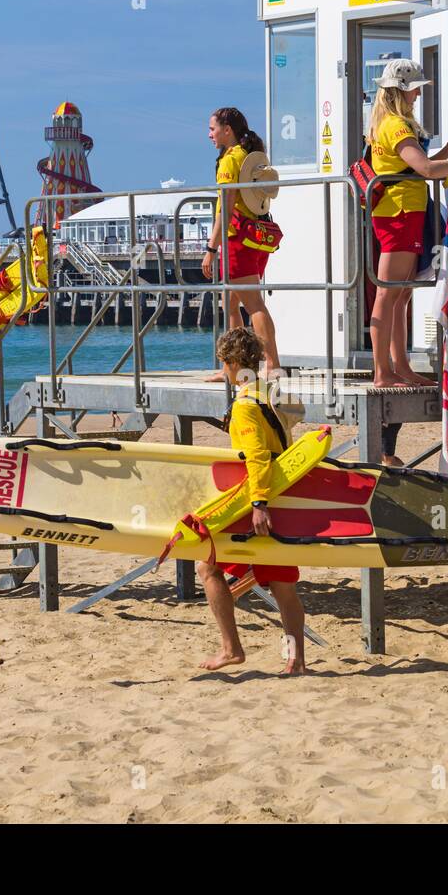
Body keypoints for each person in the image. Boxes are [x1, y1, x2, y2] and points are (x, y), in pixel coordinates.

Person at [367, 58, 448, 387]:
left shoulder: (386, 124)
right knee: (388, 293)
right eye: (415, 90)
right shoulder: (397, 126)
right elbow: (427, 171)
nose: (418, 95)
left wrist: (447, 152)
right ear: (400, 92)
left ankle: (398, 368)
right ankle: (384, 372)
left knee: (399, 294)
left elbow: (413, 166)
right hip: (400, 214)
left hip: (400, 212)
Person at [196, 327, 307, 675]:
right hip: (284, 493)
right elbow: (298, 413)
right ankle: (296, 660)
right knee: (284, 588)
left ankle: (231, 649)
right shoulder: (268, 391)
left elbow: (256, 456)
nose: (224, 371)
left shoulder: (244, 405)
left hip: (257, 499)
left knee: (207, 567)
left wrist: (258, 504)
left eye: (223, 364)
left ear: (230, 363)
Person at [202, 107, 282, 380]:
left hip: (238, 239)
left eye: (212, 129)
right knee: (230, 303)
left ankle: (272, 365)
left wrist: (211, 248)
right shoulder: (250, 155)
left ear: (227, 130)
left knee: (253, 305)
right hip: (256, 238)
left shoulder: (229, 160)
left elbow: (226, 206)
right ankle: (234, 368)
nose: (209, 134)